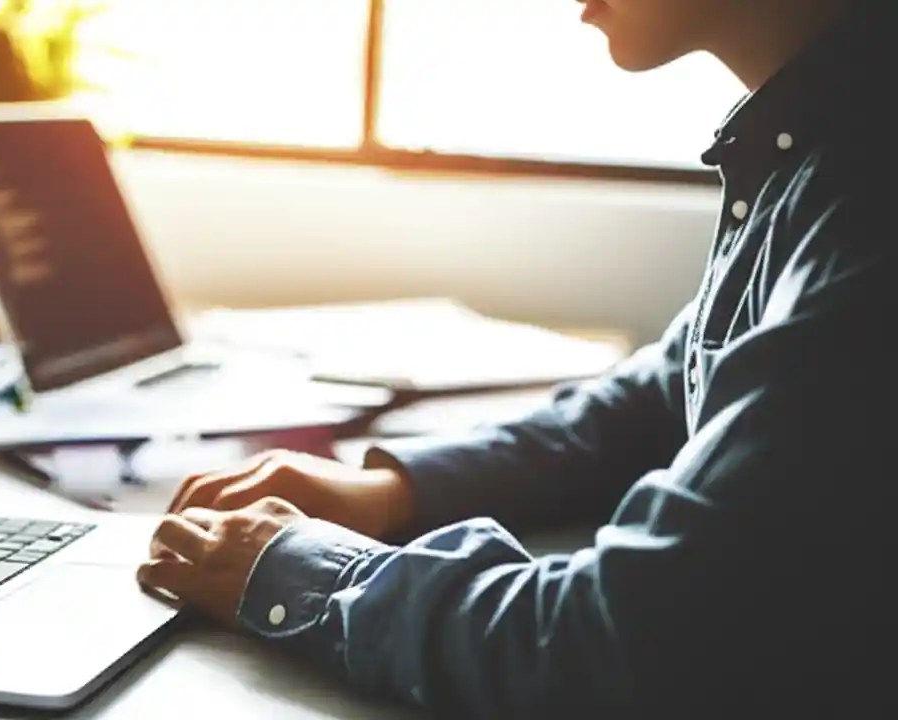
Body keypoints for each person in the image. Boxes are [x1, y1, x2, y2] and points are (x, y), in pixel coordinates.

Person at [137, 0, 895, 715]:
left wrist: (295, 571)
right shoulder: (817, 147)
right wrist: (391, 491)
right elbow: (659, 396)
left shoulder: (867, 204)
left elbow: (616, 640)